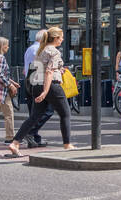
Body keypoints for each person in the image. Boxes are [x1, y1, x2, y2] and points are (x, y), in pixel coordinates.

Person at [9, 27, 75, 156]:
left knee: (35, 116)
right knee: (65, 114)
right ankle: (67, 144)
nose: (62, 40)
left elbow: (39, 69)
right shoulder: (54, 52)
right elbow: (49, 71)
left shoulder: (40, 50)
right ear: (55, 38)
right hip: (50, 85)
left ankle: (15, 143)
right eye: (61, 37)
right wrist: (45, 91)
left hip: (36, 84)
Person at [20, 35, 52, 149]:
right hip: (37, 81)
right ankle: (30, 132)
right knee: (47, 110)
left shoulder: (30, 49)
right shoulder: (39, 50)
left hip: (29, 80)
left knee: (34, 112)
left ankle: (34, 139)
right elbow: (42, 67)